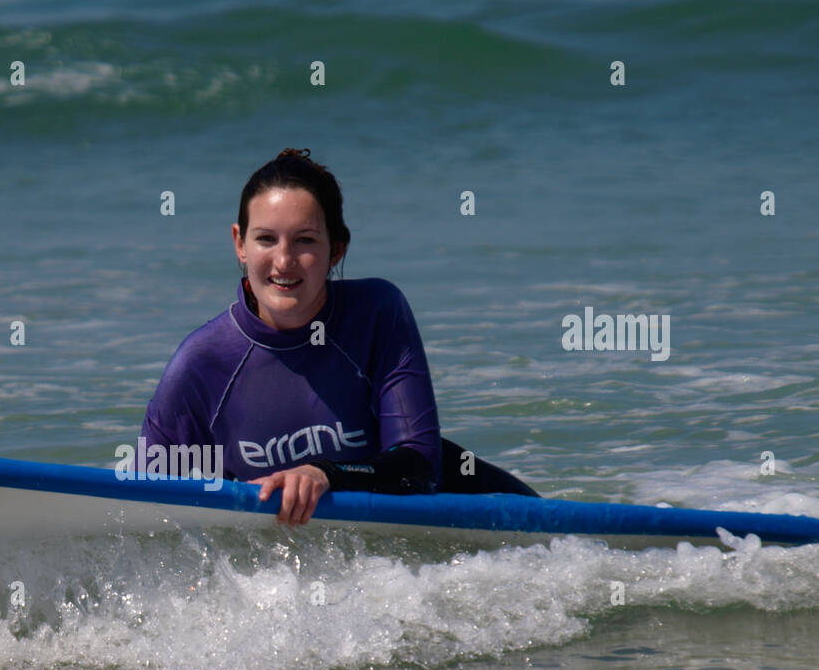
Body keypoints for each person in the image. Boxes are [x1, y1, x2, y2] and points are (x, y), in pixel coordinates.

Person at [140, 147, 538, 525]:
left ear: (336, 250)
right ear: (239, 243)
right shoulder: (201, 363)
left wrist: (325, 474)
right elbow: (141, 503)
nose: (283, 261)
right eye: (265, 239)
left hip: (473, 515)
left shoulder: (375, 313)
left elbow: (419, 466)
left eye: (305, 240)